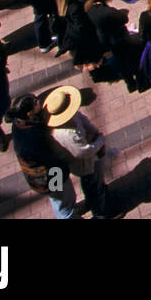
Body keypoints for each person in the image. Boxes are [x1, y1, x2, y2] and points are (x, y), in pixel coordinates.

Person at [44, 85, 111, 219]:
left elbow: (82, 119)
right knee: (93, 187)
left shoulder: (70, 117)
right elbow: (83, 152)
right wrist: (99, 140)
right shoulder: (64, 133)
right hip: (85, 165)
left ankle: (95, 202)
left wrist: (94, 133)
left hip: (88, 160)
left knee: (92, 185)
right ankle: (101, 214)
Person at [6, 94, 77, 218]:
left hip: (43, 176)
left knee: (60, 200)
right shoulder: (31, 138)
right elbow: (52, 160)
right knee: (62, 200)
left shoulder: (19, 122)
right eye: (37, 102)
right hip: (51, 175)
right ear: (29, 113)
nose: (40, 103)